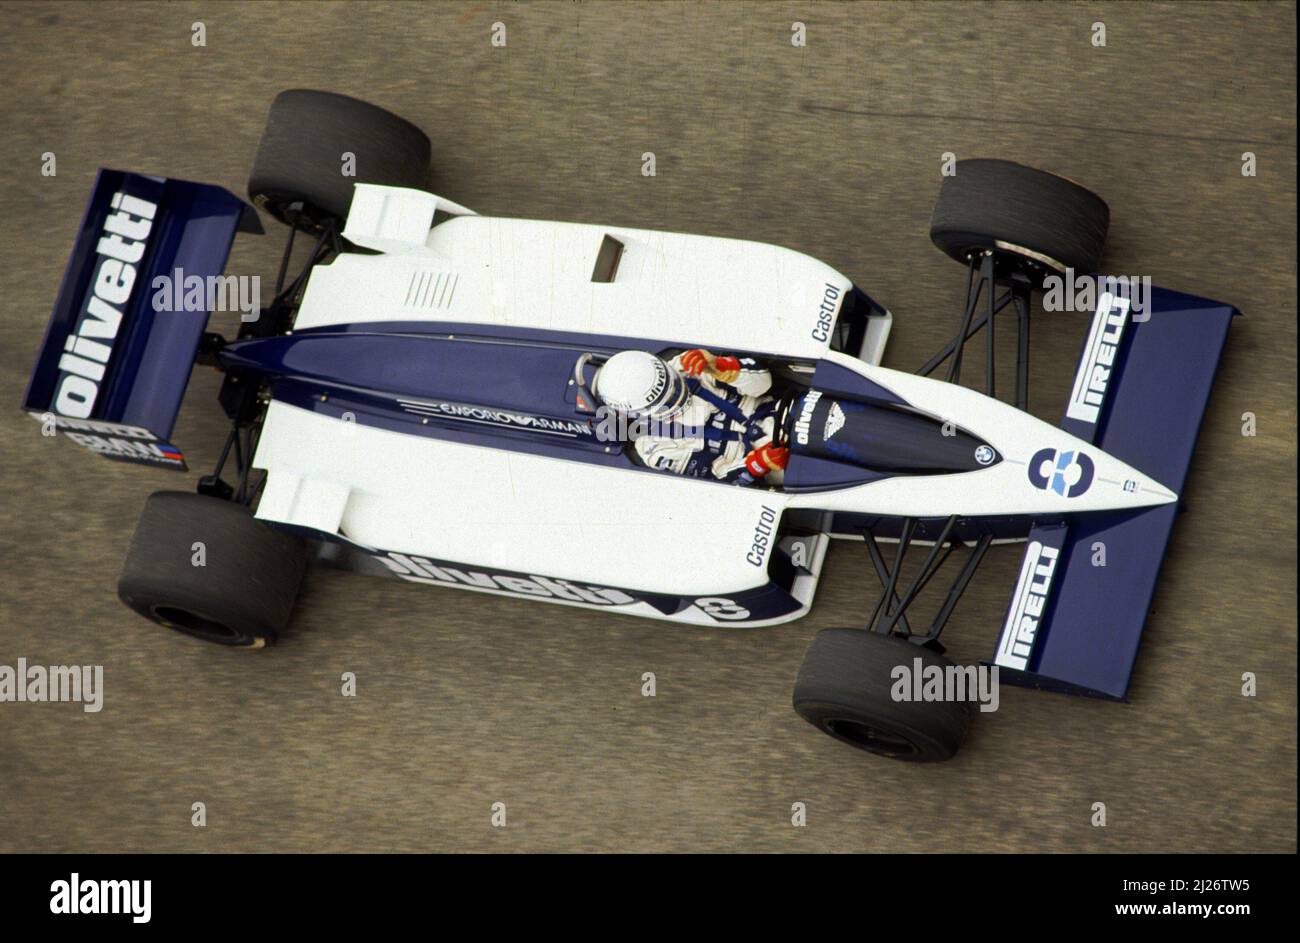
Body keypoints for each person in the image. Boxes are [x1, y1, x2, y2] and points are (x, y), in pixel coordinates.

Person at [590, 348, 789, 484]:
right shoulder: (654, 449)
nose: (678, 396)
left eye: (674, 385)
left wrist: (724, 368)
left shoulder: (687, 364)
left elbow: (764, 382)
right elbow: (716, 480)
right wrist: (756, 465)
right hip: (774, 463)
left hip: (781, 410)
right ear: (636, 413)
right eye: (666, 400)